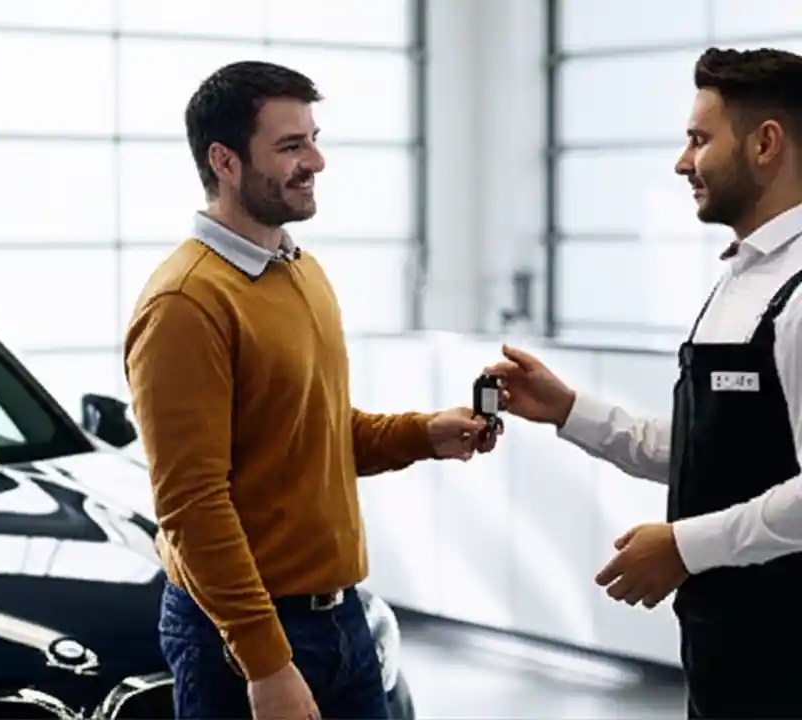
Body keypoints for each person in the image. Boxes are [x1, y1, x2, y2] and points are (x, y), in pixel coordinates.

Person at [124, 60, 499, 720]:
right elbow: (192, 507)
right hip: (246, 636)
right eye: (291, 146)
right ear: (226, 161)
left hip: (343, 618)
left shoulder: (301, 272)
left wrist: (425, 434)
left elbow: (313, 433)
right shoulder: (186, 302)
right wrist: (266, 662)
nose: (316, 161)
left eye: (314, 139)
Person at [486, 47, 802, 718]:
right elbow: (712, 452)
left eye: (698, 139)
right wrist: (570, 410)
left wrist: (686, 544)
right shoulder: (740, 278)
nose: (683, 162)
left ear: (766, 143)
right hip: (726, 657)